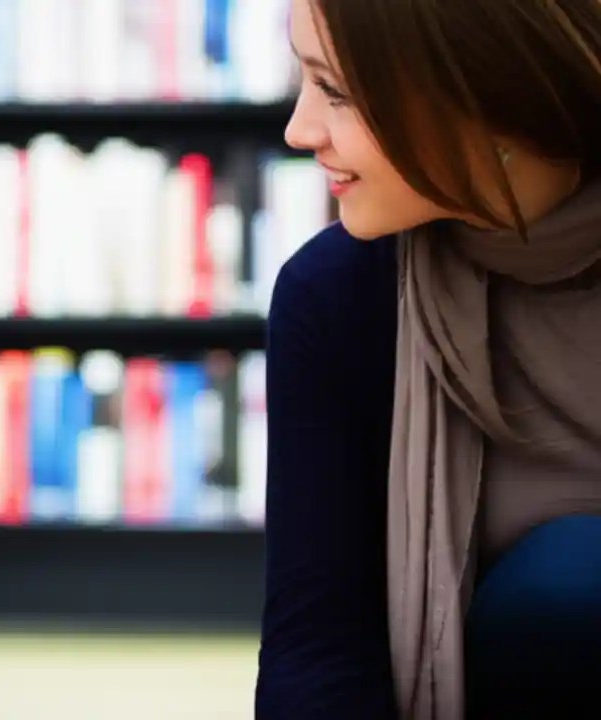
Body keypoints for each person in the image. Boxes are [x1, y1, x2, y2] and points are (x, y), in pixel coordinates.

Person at [255, 1, 601, 718]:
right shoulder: (337, 299)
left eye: (338, 91)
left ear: (487, 89)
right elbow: (318, 659)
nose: (299, 130)